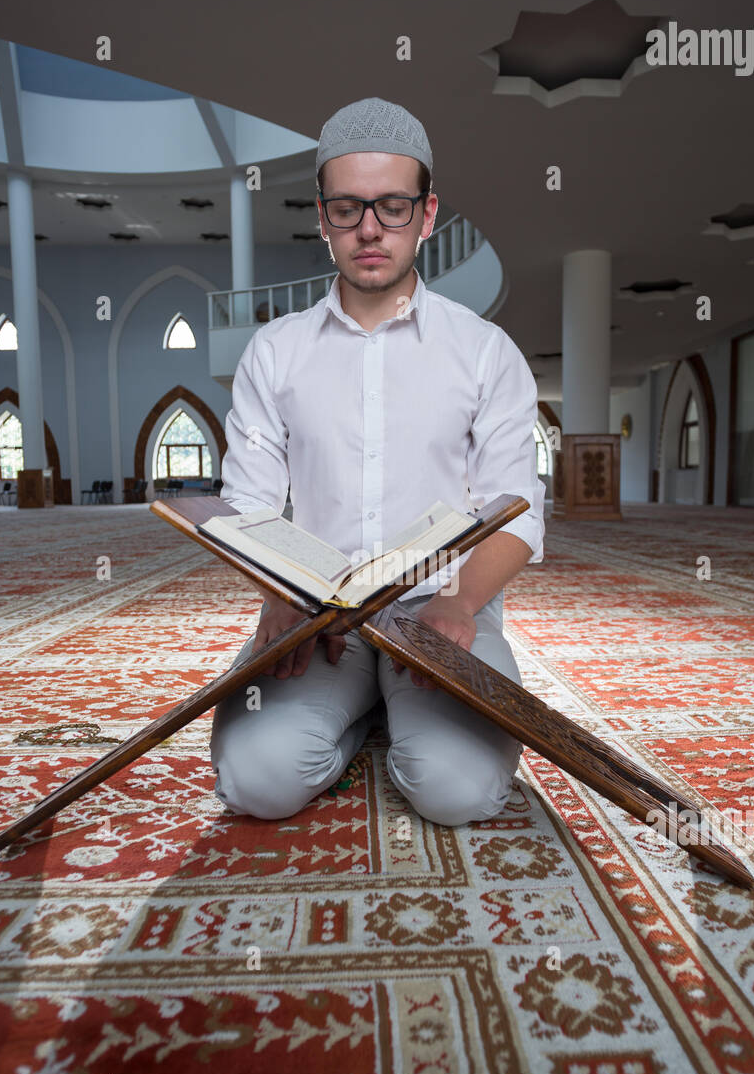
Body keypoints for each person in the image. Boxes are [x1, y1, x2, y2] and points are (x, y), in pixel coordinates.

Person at [210, 96, 545, 825]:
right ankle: (362, 713)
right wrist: (278, 599)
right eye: (348, 208)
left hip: (440, 614)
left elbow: (515, 510)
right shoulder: (275, 352)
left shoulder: (484, 352)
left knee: (458, 792)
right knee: (256, 782)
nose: (370, 228)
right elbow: (249, 508)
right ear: (322, 218)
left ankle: (396, 709)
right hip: (315, 618)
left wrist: (459, 606)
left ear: (426, 216)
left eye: (393, 206)